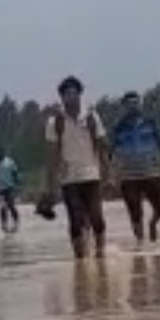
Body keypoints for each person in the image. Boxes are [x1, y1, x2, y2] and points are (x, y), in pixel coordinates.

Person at [45, 75, 109, 258]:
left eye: (75, 94)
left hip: (91, 175)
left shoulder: (91, 117)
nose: (71, 98)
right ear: (62, 97)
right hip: (69, 179)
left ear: (80, 95)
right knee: (75, 220)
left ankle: (101, 255)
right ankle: (79, 261)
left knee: (97, 217)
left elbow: (102, 146)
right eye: (67, 94)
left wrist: (108, 173)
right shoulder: (55, 122)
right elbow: (52, 155)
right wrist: (50, 186)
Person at [110, 91, 160, 244]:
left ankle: (152, 224)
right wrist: (110, 177)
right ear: (124, 107)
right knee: (135, 213)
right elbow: (109, 153)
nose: (133, 107)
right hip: (129, 177)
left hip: (151, 172)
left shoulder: (151, 123)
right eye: (129, 104)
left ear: (140, 104)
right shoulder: (119, 128)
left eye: (136, 103)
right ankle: (140, 243)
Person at [0, 146, 22, 232]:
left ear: (3, 153)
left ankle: (16, 222)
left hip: (9, 187)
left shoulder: (9, 161)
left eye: (0, 152)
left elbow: (15, 172)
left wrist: (17, 182)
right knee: (2, 208)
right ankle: (4, 224)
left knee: (11, 205)